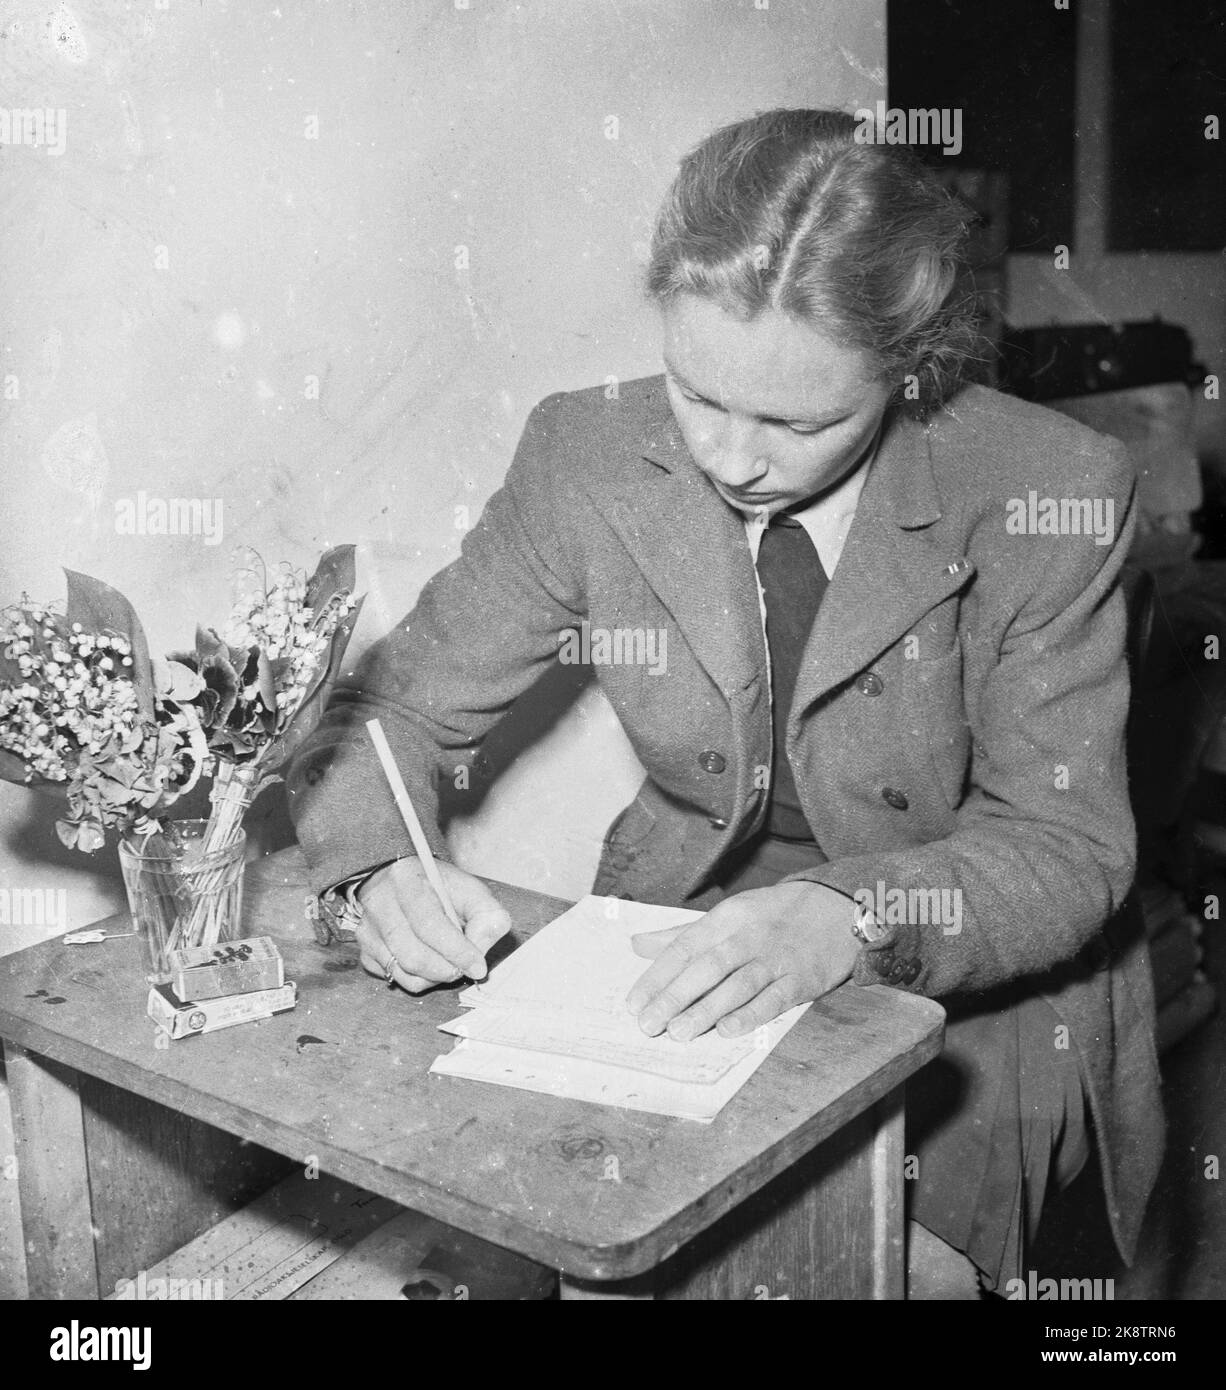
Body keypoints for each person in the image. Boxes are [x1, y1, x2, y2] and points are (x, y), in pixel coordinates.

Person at [288, 108, 1164, 1298]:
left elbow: (1063, 845)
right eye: (697, 393)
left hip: (967, 945)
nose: (730, 458)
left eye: (799, 422)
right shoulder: (585, 453)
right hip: (681, 911)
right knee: (590, 1229)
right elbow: (384, 712)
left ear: (911, 371)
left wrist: (846, 921)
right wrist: (371, 872)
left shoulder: (1044, 486)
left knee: (873, 1272)